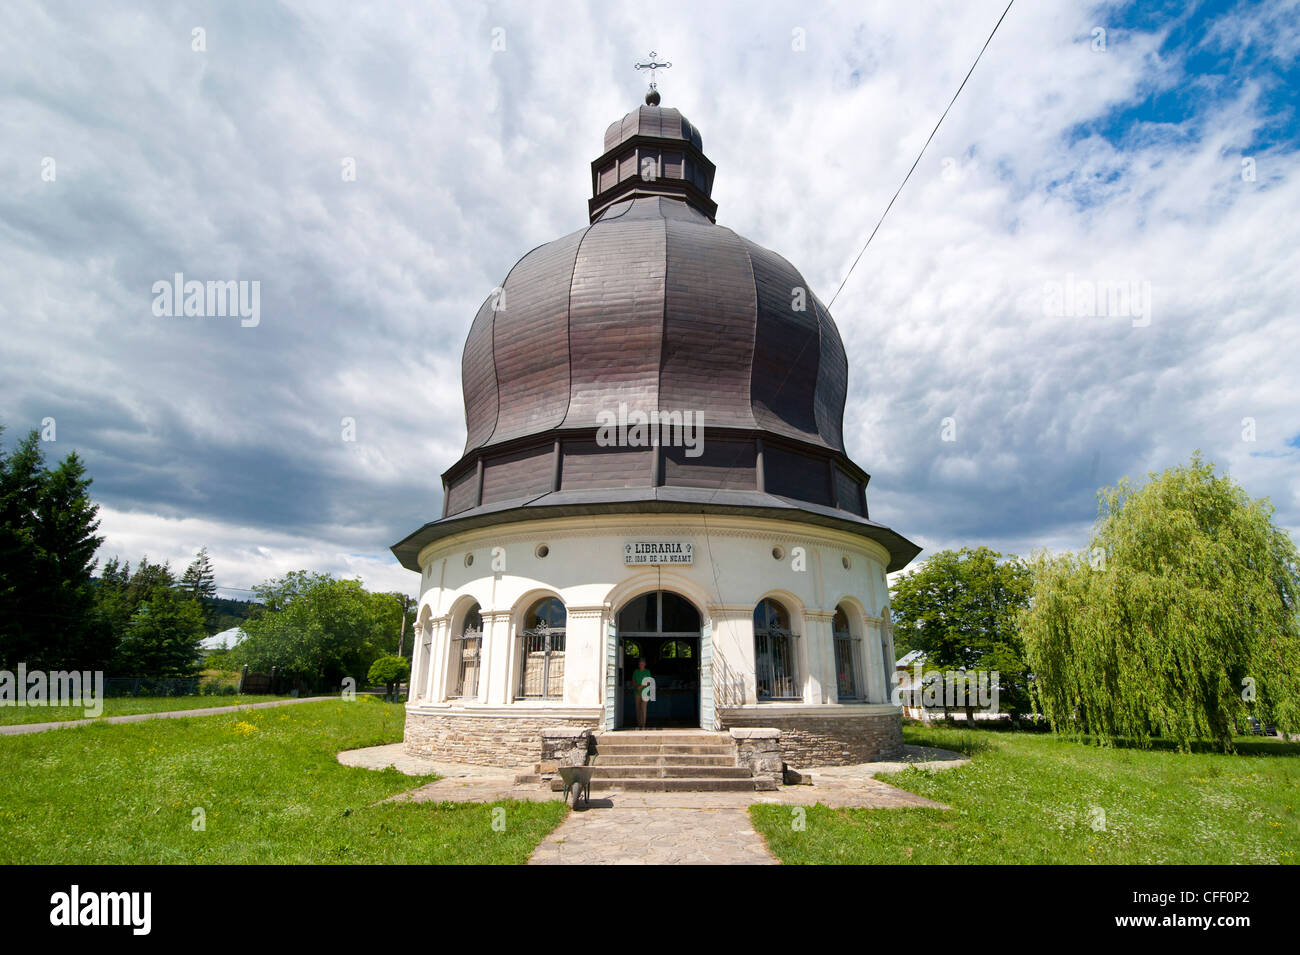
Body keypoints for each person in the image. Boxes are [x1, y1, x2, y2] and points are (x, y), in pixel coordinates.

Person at [632, 658, 652, 730]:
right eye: (640, 664)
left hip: (645, 692)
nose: (641, 665)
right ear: (638, 665)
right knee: (638, 708)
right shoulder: (636, 672)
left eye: (643, 664)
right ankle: (639, 724)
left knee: (643, 709)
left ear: (645, 664)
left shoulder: (647, 672)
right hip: (637, 692)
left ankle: (643, 725)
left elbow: (649, 682)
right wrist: (637, 686)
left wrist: (641, 686)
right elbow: (633, 681)